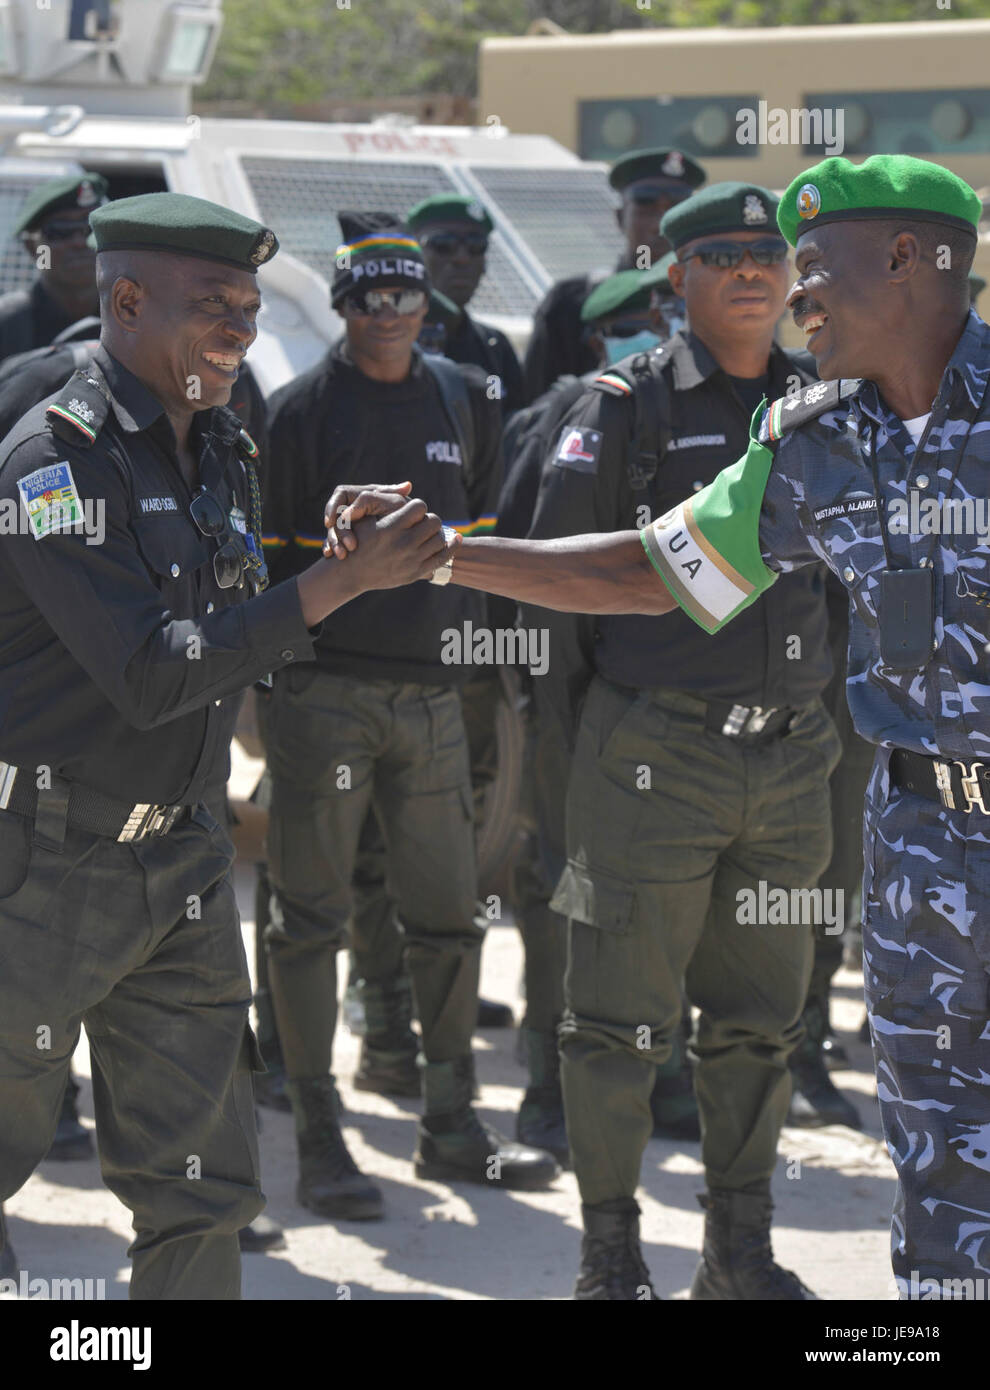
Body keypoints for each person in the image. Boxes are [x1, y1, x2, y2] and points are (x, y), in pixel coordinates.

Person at [328, 153, 989, 1301]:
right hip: (922, 848)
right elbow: (650, 570)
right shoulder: (817, 440)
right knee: (938, 1174)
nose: (796, 293)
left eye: (815, 265)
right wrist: (446, 549)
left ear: (907, 259)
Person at [0, 190, 452, 1298]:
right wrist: (337, 584)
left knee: (203, 1190)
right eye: (215, 305)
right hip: (46, 863)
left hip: (187, 864)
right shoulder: (53, 463)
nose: (242, 329)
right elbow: (158, 669)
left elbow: (238, 616)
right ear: (125, 299)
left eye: (250, 307)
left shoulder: (224, 443)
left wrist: (324, 548)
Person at [521, 182, 837, 1297]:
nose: (754, 270)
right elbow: (559, 605)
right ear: (676, 276)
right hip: (651, 758)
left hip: (791, 762)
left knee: (761, 1024)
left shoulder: (824, 402)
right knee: (616, 1025)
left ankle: (736, 1252)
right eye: (724, 253)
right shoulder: (621, 406)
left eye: (770, 252)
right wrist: (574, 780)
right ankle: (611, 1256)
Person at [260, 213, 557, 1223]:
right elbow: (268, 570)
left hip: (435, 697)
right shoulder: (297, 412)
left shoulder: (461, 397)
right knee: (308, 921)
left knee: (447, 915)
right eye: (368, 297)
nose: (388, 312)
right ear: (342, 306)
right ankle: (315, 1133)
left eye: (404, 295)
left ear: (428, 304)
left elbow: (482, 539)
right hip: (326, 697)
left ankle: (452, 1125)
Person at [499, 259, 690, 1164]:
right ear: (601, 336)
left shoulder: (707, 412)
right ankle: (547, 1089)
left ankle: (667, 1075)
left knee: (676, 895)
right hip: (573, 707)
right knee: (563, 895)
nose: (655, 336)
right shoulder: (557, 420)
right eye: (637, 324)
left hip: (678, 715)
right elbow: (524, 573)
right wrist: (551, 702)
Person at [522, 147, 704, 402]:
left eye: (675, 211)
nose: (660, 225)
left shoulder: (712, 300)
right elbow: (535, 405)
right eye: (646, 207)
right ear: (620, 218)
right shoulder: (570, 303)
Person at [407, 194, 524, 417]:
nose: (461, 258)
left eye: (475, 246)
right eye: (443, 245)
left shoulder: (494, 347)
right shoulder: (386, 340)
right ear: (414, 257)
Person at [0, 173, 107, 363]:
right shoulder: (8, 325)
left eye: (92, 229)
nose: (80, 242)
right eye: (60, 232)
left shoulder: (133, 317)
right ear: (33, 248)